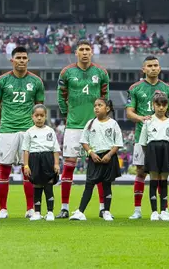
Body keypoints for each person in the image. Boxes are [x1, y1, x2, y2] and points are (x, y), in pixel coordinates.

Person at [57, 40, 110, 218]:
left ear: (92, 52)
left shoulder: (101, 73)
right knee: (69, 165)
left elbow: (105, 99)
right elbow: (61, 96)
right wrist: (67, 114)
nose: (85, 52)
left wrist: (101, 119)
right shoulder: (67, 72)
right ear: (76, 52)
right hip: (74, 125)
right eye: (82, 50)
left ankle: (103, 207)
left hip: (96, 126)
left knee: (99, 166)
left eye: (88, 49)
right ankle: (64, 207)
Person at [0, 46, 45, 219]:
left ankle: (30, 208)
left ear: (28, 60)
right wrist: (6, 119)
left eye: (24, 58)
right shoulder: (2, 81)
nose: (21, 60)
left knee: (27, 170)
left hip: (28, 131)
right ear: (12, 60)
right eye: (18, 58)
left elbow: (39, 108)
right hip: (7, 129)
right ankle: (3, 209)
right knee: (4, 169)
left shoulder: (36, 81)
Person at [126, 55, 169, 220]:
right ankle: (137, 209)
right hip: (142, 136)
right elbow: (129, 112)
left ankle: (164, 210)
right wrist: (142, 118)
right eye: (150, 66)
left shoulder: (167, 89)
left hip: (162, 138)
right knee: (141, 172)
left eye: (156, 65)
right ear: (144, 69)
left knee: (162, 173)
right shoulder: (135, 88)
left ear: (159, 68)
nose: (153, 68)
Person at [70, 98, 123, 221]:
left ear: (107, 108)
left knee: (107, 185)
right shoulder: (90, 123)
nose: (96, 108)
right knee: (89, 185)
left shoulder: (113, 123)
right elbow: (84, 141)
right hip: (94, 157)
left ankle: (107, 212)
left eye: (100, 105)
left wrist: (109, 155)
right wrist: (90, 153)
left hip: (108, 157)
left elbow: (118, 143)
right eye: (95, 105)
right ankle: (80, 212)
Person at [139, 91, 169, 221]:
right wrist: (149, 154)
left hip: (166, 150)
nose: (161, 108)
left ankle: (164, 210)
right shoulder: (148, 122)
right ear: (153, 105)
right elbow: (143, 142)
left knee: (164, 179)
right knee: (154, 178)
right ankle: (154, 211)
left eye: (164, 105)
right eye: (158, 105)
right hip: (152, 149)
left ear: (167, 106)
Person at [22, 104, 61, 221]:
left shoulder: (50, 131)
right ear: (32, 117)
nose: (39, 118)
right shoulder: (29, 132)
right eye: (36, 115)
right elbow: (26, 150)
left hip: (47, 158)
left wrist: (56, 164)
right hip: (34, 159)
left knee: (48, 185)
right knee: (37, 185)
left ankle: (50, 212)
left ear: (45, 116)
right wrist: (26, 165)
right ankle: (37, 212)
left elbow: (55, 149)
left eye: (42, 115)